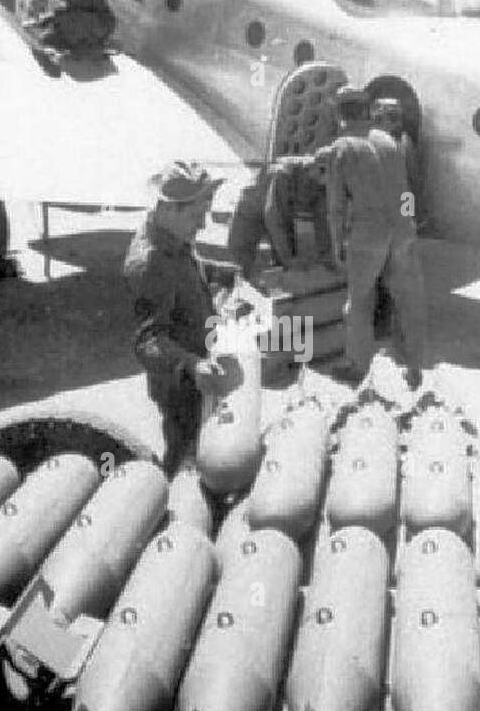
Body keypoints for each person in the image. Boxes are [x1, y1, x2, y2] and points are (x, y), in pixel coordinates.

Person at [123, 160, 236, 474]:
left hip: (197, 371)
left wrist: (222, 273)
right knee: (185, 457)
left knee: (204, 449)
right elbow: (147, 342)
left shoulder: (173, 236)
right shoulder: (149, 262)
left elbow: (186, 271)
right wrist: (192, 364)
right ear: (171, 209)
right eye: (197, 215)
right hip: (180, 385)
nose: (202, 225)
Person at [323, 87, 428, 389]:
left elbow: (336, 205)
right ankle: (414, 366)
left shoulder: (341, 147)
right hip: (402, 230)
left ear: (340, 114)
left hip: (368, 234)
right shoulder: (387, 140)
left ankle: (357, 366)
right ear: (365, 110)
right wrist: (408, 224)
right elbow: (405, 189)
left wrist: (336, 243)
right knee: (408, 301)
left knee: (359, 302)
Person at [227, 156, 333, 281]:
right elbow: (275, 220)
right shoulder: (284, 174)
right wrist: (289, 260)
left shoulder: (321, 185)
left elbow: (321, 222)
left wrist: (326, 255)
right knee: (240, 263)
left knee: (284, 267)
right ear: (316, 168)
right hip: (250, 213)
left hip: (282, 216)